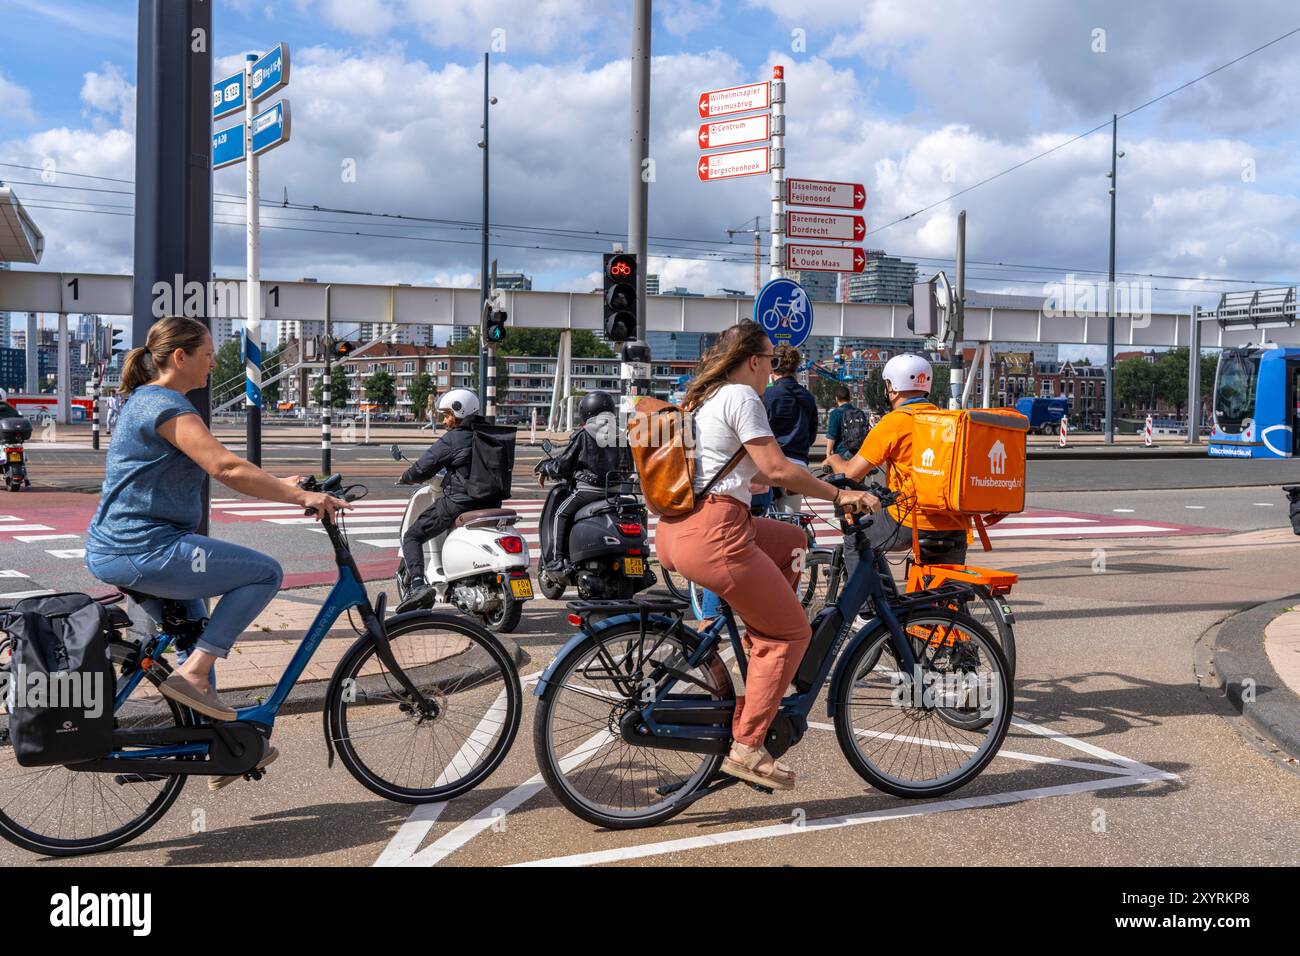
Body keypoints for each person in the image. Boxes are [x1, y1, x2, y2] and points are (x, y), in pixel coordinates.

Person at [84, 317, 344, 787]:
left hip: (129, 544)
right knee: (263, 574)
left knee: (195, 631)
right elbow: (224, 466)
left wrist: (284, 485)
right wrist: (303, 499)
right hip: (142, 546)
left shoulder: (150, 402)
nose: (212, 362)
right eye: (206, 353)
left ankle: (217, 747)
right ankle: (196, 677)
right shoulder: (164, 405)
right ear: (180, 357)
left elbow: (220, 468)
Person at [655, 320, 876, 792]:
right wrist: (838, 497)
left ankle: (762, 645)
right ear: (753, 361)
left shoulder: (704, 397)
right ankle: (749, 746)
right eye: (770, 361)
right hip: (717, 533)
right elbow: (776, 468)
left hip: (678, 530)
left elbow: (748, 475)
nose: (771, 371)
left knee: (793, 542)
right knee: (793, 631)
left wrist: (812, 482)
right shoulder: (740, 396)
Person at [827, 352, 970, 586]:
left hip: (911, 521)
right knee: (944, 596)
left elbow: (853, 472)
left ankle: (866, 613)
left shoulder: (894, 422)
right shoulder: (948, 419)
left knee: (855, 538)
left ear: (892, 387)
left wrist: (833, 459)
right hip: (955, 523)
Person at [396, 388, 501, 612]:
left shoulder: (453, 438)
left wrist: (407, 477)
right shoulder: (491, 433)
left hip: (461, 502)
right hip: (493, 503)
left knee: (412, 535)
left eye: (446, 415)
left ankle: (417, 586)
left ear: (457, 412)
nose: (444, 420)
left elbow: (424, 467)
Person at [536, 390, 628, 571]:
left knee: (559, 514)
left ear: (587, 411)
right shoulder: (621, 435)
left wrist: (543, 468)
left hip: (589, 492)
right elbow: (627, 466)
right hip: (616, 492)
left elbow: (563, 464)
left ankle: (555, 560)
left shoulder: (584, 434)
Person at [760, 344, 819, 513]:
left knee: (758, 520)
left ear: (773, 365)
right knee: (791, 522)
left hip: (769, 464)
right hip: (797, 466)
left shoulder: (766, 395)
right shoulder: (808, 396)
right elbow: (811, 434)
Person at [824, 385, 869, 463]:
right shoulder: (859, 412)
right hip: (859, 454)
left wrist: (828, 454)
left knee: (840, 474)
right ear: (850, 398)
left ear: (836, 398)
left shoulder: (835, 413)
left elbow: (832, 436)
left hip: (842, 454)